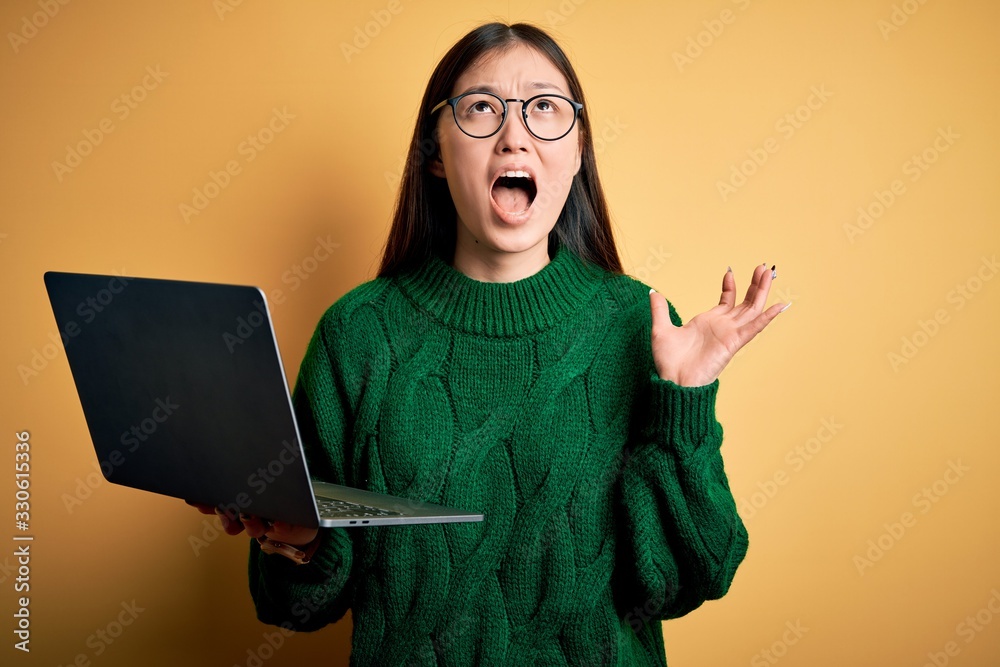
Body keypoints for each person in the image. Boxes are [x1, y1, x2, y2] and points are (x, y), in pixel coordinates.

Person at [190, 20, 788, 666]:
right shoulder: (357, 335)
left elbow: (692, 578)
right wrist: (296, 538)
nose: (515, 136)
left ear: (579, 149)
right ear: (435, 154)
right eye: (480, 108)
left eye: (545, 108)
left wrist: (684, 403)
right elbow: (294, 609)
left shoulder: (641, 326)